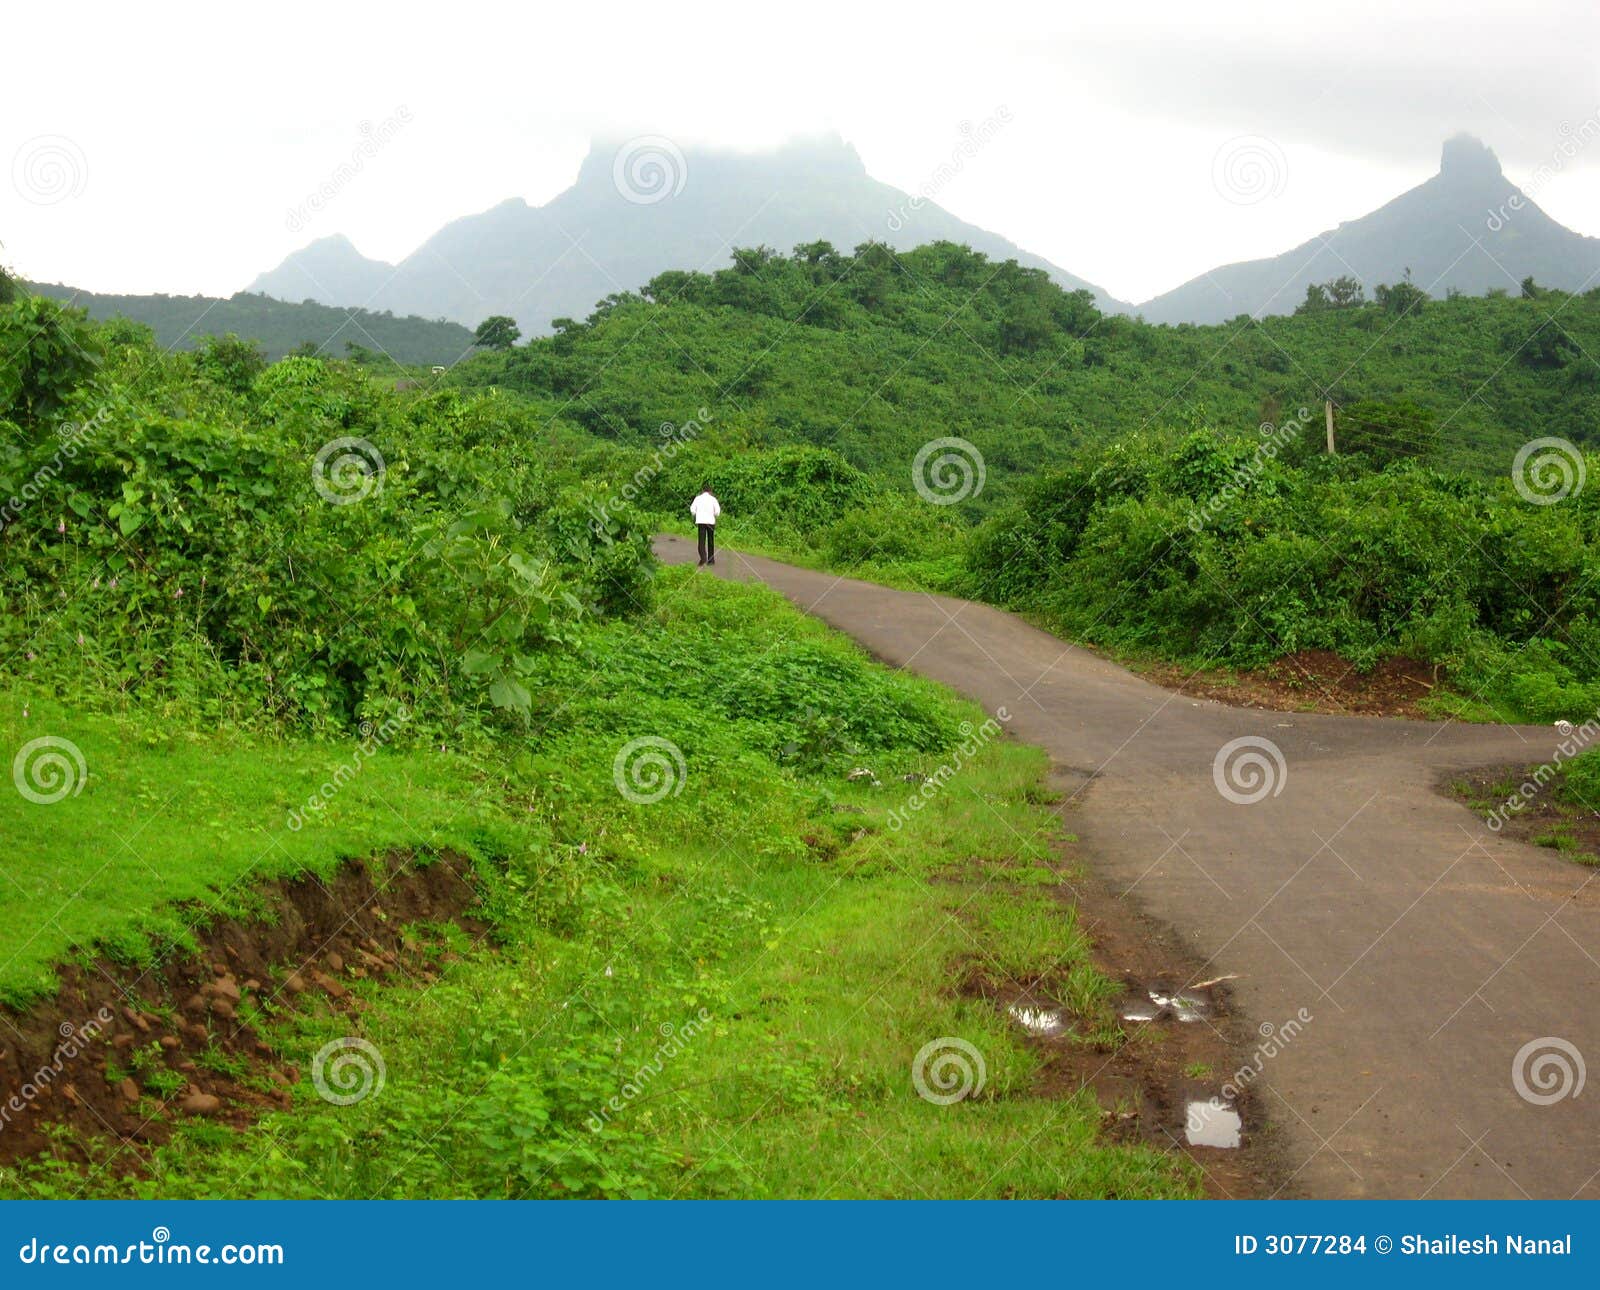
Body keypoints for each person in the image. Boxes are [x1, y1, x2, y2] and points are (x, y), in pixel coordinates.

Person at [689, 486, 721, 566]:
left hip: (701, 521)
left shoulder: (697, 498)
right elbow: (717, 512)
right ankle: (711, 560)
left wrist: (696, 514)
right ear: (710, 491)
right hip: (710, 522)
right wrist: (713, 515)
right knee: (711, 541)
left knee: (701, 541)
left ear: (702, 491)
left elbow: (692, 510)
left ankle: (703, 558)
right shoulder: (713, 499)